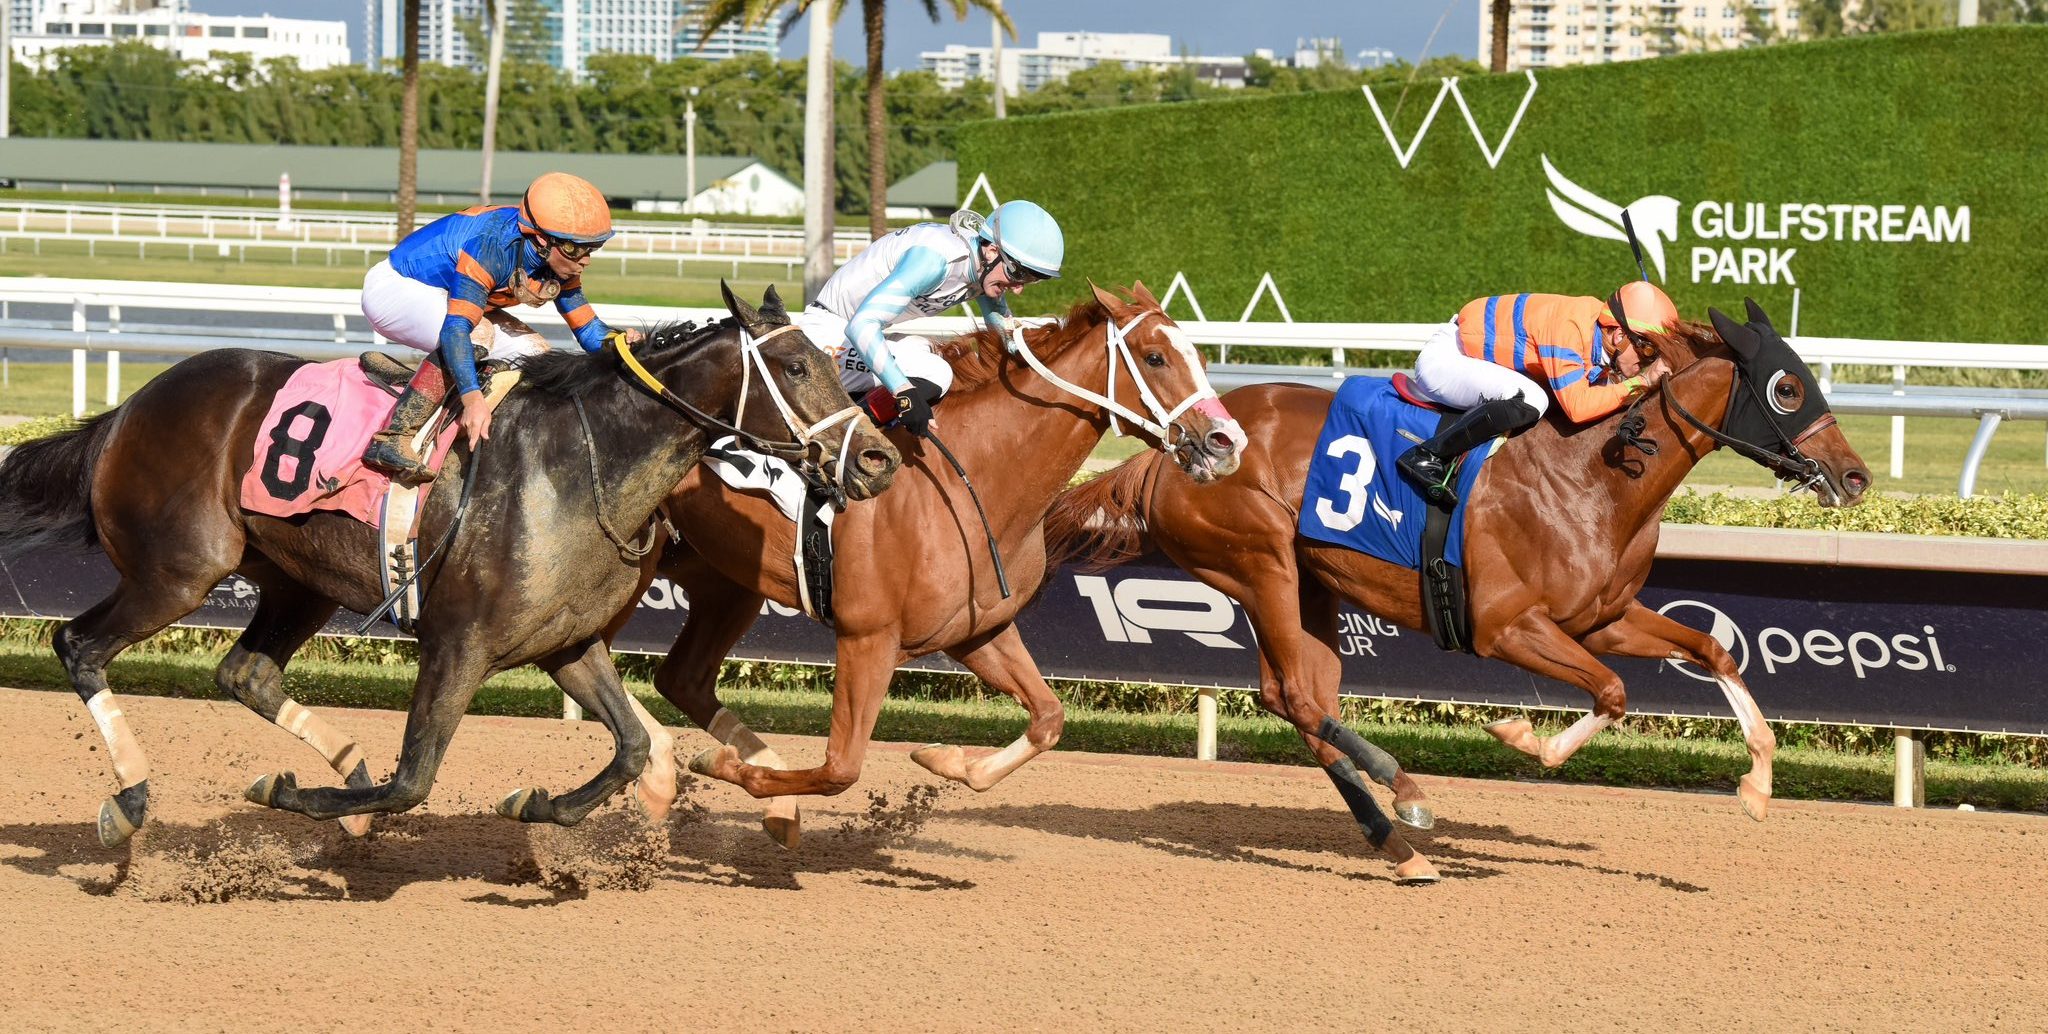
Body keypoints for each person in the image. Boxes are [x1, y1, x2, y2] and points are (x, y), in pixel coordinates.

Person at [358, 171, 642, 484]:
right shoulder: (493, 246)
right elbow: (456, 330)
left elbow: (588, 331)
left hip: (446, 296)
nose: (584, 260)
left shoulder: (558, 260)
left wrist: (621, 344)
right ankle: (392, 437)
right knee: (479, 334)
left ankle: (433, 390)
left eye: (592, 248)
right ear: (542, 239)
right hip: (396, 288)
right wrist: (472, 400)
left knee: (536, 354)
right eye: (576, 250)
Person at [1395, 281, 1681, 504]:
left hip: (1476, 357)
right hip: (1448, 360)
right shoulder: (1568, 329)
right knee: (1532, 399)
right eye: (1648, 350)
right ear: (1619, 335)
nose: (1647, 361)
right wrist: (1643, 381)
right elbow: (1578, 407)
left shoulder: (1596, 330)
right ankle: (1427, 456)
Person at [798, 199, 1064, 438]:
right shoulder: (934, 262)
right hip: (824, 337)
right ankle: (838, 437)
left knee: (928, 349)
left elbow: (1001, 325)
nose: (1018, 288)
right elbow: (861, 326)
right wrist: (903, 392)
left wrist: (1030, 355)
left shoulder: (982, 266)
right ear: (992, 251)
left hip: (848, 333)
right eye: (1018, 274)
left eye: (1031, 279)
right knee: (936, 371)